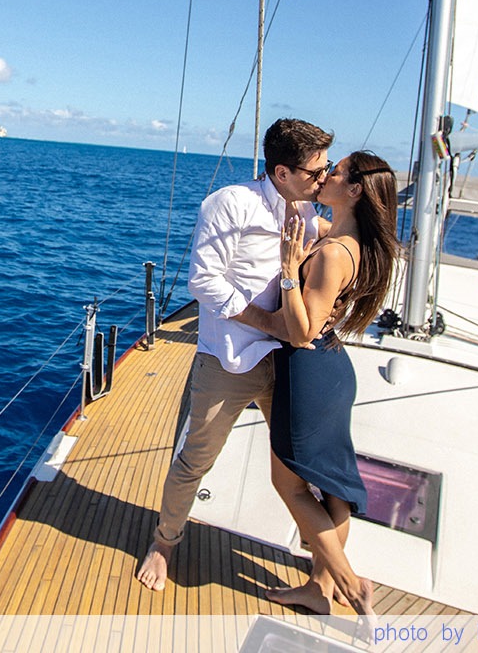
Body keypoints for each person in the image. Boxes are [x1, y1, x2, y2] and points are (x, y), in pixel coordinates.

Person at [135, 117, 334, 591]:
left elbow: (332, 241)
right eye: (316, 172)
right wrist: (271, 323)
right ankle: (164, 543)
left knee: (305, 464)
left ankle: (324, 564)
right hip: (230, 359)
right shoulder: (231, 204)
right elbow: (203, 281)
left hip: (288, 361)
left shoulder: (306, 208)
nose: (323, 179)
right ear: (281, 172)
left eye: (327, 170)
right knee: (195, 459)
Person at [239, 149, 400, 617]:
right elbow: (308, 224)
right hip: (332, 368)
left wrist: (289, 272)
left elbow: (302, 331)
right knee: (333, 489)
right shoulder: (350, 240)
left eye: (337, 171)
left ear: (354, 190)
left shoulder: (332, 253)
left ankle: (350, 584)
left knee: (289, 485)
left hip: (308, 370)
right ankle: (319, 588)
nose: (326, 175)